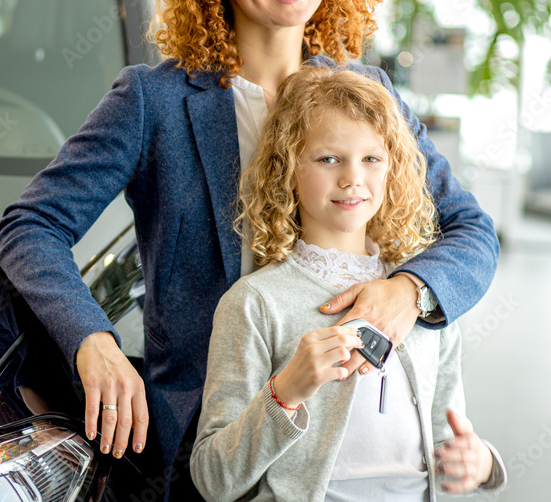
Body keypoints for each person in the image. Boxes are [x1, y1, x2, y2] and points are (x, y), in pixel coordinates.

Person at [0, 0, 499, 500]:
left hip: (348, 442)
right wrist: (92, 340)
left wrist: (410, 290)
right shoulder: (154, 102)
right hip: (209, 443)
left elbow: (471, 231)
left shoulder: (366, 93)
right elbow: (31, 225)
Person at [191, 67, 507, 501]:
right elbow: (213, 480)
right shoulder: (254, 303)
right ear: (287, 169)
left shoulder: (426, 300)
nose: (352, 178)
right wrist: (283, 395)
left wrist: (481, 462)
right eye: (328, 159)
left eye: (371, 159)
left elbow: (446, 443)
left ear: (393, 169)